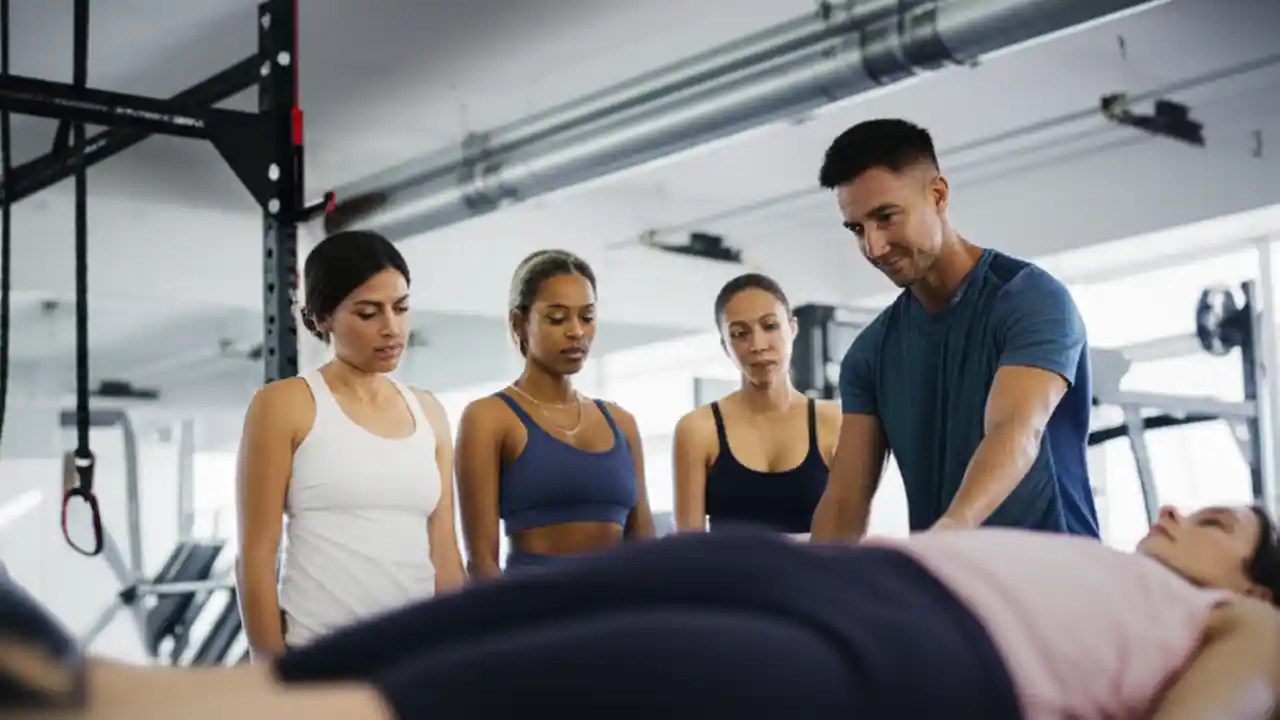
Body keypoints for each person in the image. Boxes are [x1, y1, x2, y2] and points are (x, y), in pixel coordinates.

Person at [5, 503, 1279, 718]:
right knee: (473, 622)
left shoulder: (1242, 628)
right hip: (813, 571)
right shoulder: (1109, 566)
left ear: (1253, 583)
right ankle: (98, 691)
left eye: (1215, 523)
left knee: (436, 700)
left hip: (908, 657)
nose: (1174, 518)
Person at [809, 118, 1100, 541]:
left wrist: (949, 533)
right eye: (857, 229)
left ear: (938, 195)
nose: (873, 246)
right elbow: (845, 499)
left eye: (886, 217)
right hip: (951, 583)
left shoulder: (1030, 299)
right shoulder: (870, 354)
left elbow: (1015, 432)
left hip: (1055, 576)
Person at [234, 230, 465, 659]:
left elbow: (445, 552)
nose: (391, 328)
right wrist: (271, 675)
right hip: (320, 658)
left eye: (401, 308)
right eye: (367, 313)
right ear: (323, 318)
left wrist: (459, 655)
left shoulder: (429, 411)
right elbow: (256, 556)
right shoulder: (283, 406)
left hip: (418, 657)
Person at [455, 249, 654, 578]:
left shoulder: (621, 422)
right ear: (519, 323)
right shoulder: (489, 418)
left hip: (619, 610)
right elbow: (481, 563)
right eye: (557, 318)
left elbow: (644, 544)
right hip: (535, 612)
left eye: (587, 317)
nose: (576, 331)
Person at [673, 273, 840, 537]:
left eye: (770, 325)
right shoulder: (697, 430)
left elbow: (848, 541)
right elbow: (689, 548)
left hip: (813, 577)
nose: (758, 345)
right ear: (725, 346)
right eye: (740, 334)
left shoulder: (835, 422)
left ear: (793, 328)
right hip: (727, 578)